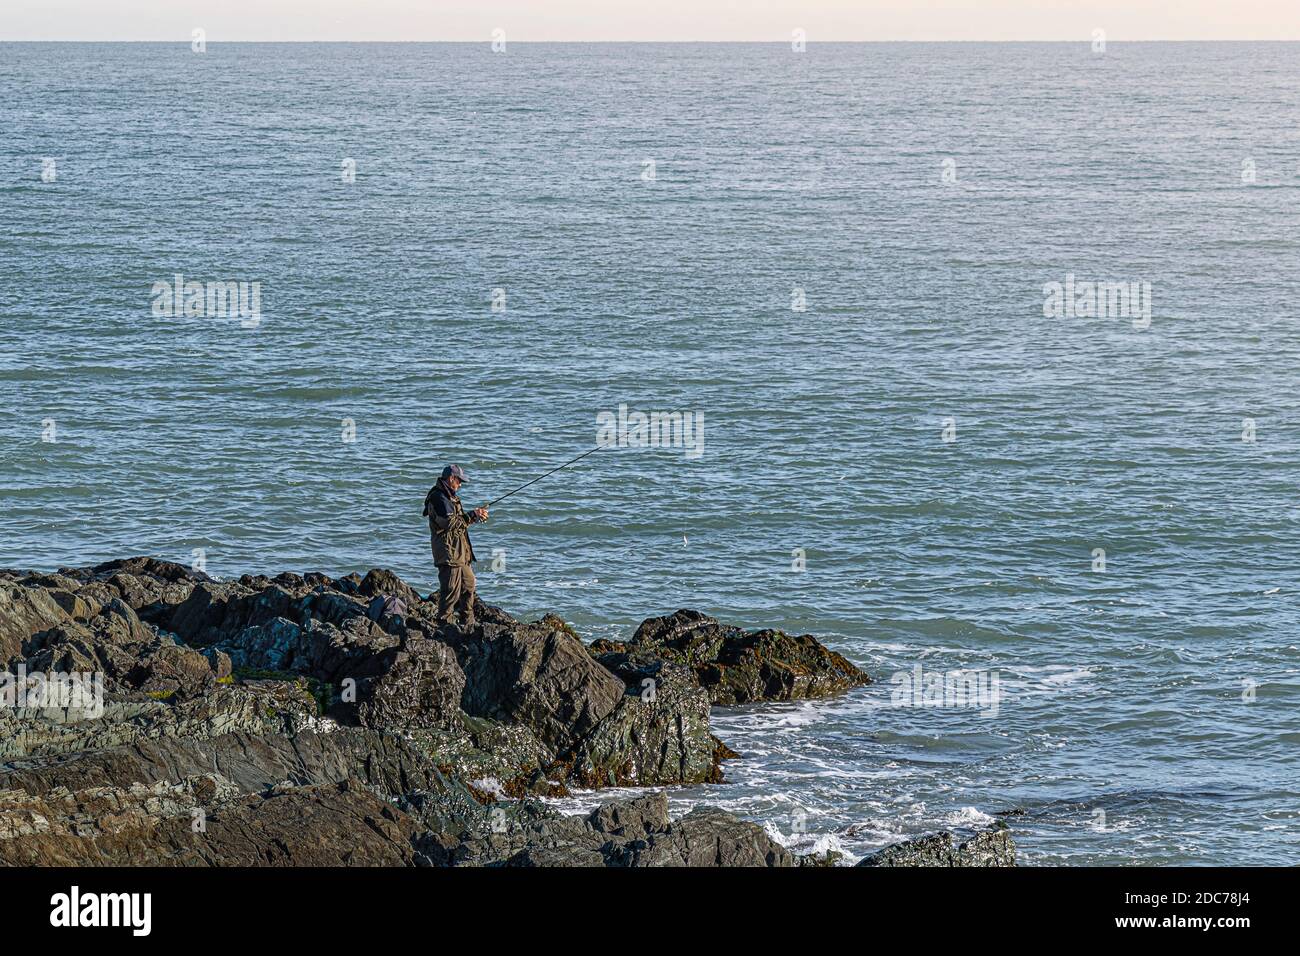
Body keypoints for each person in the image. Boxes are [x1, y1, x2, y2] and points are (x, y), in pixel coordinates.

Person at [423, 464, 488, 630]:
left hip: (460, 553)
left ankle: (468, 623)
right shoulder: (438, 497)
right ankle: (443, 626)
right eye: (459, 481)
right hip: (448, 553)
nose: (460, 485)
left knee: (469, 585)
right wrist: (472, 515)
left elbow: (459, 523)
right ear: (451, 478)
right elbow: (449, 523)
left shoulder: (449, 496)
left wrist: (475, 516)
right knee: (450, 590)